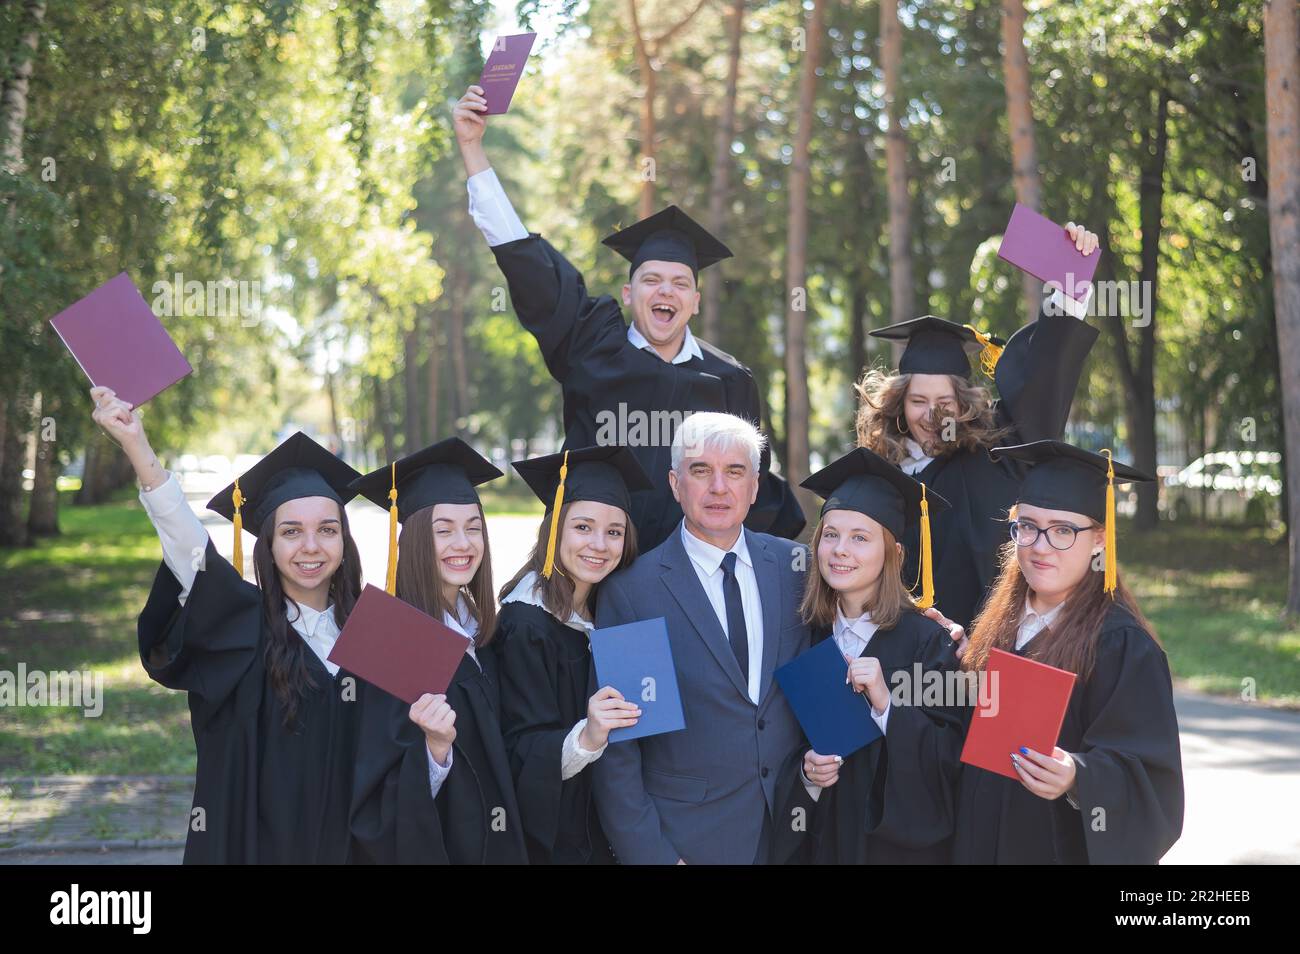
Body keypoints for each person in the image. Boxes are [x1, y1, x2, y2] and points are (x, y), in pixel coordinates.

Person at [450, 83, 805, 551]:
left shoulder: (729, 381)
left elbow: (750, 490)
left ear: (695, 301)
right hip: (598, 572)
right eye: (651, 280)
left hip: (692, 583)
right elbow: (530, 265)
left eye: (680, 284)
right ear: (628, 293)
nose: (665, 291)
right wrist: (473, 149)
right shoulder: (590, 348)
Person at [93, 387, 366, 863]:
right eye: (290, 531)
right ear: (267, 545)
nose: (311, 547)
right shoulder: (244, 626)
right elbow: (190, 551)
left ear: (345, 541)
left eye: (327, 529)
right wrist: (138, 448)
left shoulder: (374, 633)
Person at [589, 412, 818, 864]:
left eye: (735, 472)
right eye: (701, 471)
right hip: (688, 842)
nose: (719, 487)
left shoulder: (797, 569)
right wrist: (654, 857)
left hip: (792, 832)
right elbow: (620, 749)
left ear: (755, 487)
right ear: (676, 484)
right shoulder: (635, 590)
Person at [855, 223, 1100, 631]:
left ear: (964, 402)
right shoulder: (880, 475)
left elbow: (1041, 381)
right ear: (898, 404)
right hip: (899, 662)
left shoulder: (999, 452)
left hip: (988, 651)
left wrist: (1071, 277)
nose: (931, 416)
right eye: (918, 401)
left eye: (945, 403)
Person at [949, 440, 1184, 864]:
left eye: (1062, 531)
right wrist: (964, 665)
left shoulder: (1120, 645)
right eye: (1027, 526)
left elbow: (1152, 779)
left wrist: (1079, 777)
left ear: (1099, 539)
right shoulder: (997, 624)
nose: (1040, 545)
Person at [348, 438, 528, 864]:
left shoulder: (483, 630)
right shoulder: (388, 640)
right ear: (410, 540)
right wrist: (435, 750)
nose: (462, 544)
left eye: (473, 527)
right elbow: (369, 795)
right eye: (443, 530)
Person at [797, 447, 967, 863]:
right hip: (821, 844)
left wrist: (887, 705)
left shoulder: (929, 642)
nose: (840, 550)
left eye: (860, 538)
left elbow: (953, 760)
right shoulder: (805, 634)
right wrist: (807, 775)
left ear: (893, 552)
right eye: (831, 534)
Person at [494, 445, 650, 864]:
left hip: (613, 833)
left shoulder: (612, 616)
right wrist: (587, 736)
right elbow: (515, 754)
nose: (599, 545)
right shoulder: (524, 626)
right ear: (554, 530)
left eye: (614, 532)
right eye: (583, 527)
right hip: (554, 845)